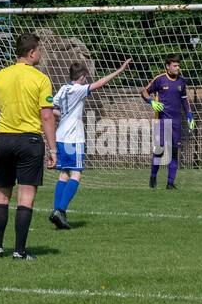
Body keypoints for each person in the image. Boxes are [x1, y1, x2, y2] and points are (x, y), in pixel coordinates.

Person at [0, 33, 56, 260]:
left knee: (1, 195)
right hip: (30, 141)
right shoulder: (41, 79)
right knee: (25, 197)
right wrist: (53, 149)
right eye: (39, 50)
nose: (40, 53)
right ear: (31, 53)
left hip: (4, 140)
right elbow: (47, 116)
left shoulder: (0, 76)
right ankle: (20, 251)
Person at [49, 57, 132, 229]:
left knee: (64, 173)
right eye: (85, 78)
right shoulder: (79, 89)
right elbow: (100, 83)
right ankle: (61, 211)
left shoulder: (63, 89)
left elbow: (51, 109)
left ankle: (56, 211)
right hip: (73, 138)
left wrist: (64, 115)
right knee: (76, 174)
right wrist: (119, 70)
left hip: (60, 136)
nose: (86, 81)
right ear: (81, 78)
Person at [141, 55, 193, 189]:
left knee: (174, 152)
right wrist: (151, 101)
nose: (177, 68)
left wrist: (189, 115)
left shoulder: (181, 81)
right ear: (167, 66)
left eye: (178, 65)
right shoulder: (160, 79)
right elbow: (144, 92)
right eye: (175, 65)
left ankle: (170, 183)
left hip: (176, 122)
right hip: (162, 121)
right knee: (159, 151)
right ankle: (153, 177)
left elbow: (184, 100)